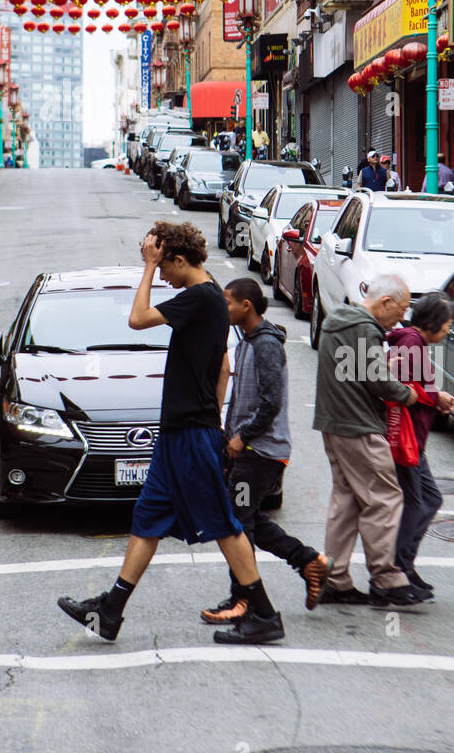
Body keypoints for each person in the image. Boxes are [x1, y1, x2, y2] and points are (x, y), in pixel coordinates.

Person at [57, 221, 285, 646]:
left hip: (189, 433)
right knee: (146, 520)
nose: (161, 276)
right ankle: (110, 610)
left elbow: (137, 318)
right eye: (157, 270)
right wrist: (214, 421)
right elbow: (222, 367)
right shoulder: (213, 295)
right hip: (182, 431)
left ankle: (265, 614)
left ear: (179, 260)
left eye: (165, 268)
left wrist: (146, 266)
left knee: (224, 523)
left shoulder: (199, 296)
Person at [200, 278, 330, 626]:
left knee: (236, 525)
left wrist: (242, 438)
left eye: (227, 302)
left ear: (246, 306)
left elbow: (271, 402)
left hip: (261, 452)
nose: (223, 308)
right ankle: (306, 561)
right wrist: (227, 435)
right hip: (248, 451)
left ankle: (243, 600)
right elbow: (243, 400)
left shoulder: (266, 345)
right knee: (248, 519)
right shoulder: (246, 342)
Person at [313, 275, 429, 608]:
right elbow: (376, 379)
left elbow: (354, 370)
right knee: (384, 498)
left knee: (346, 500)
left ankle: (335, 580)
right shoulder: (364, 328)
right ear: (386, 302)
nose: (402, 318)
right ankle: (386, 579)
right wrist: (407, 394)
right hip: (358, 426)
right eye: (402, 309)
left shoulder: (337, 319)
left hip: (333, 423)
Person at [386, 292, 454, 590]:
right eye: (447, 325)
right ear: (433, 323)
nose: (449, 331)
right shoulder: (412, 341)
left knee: (429, 499)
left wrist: (435, 397)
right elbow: (401, 386)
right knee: (417, 504)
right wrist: (435, 396)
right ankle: (398, 569)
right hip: (407, 439)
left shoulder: (415, 341)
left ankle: (404, 565)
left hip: (416, 440)